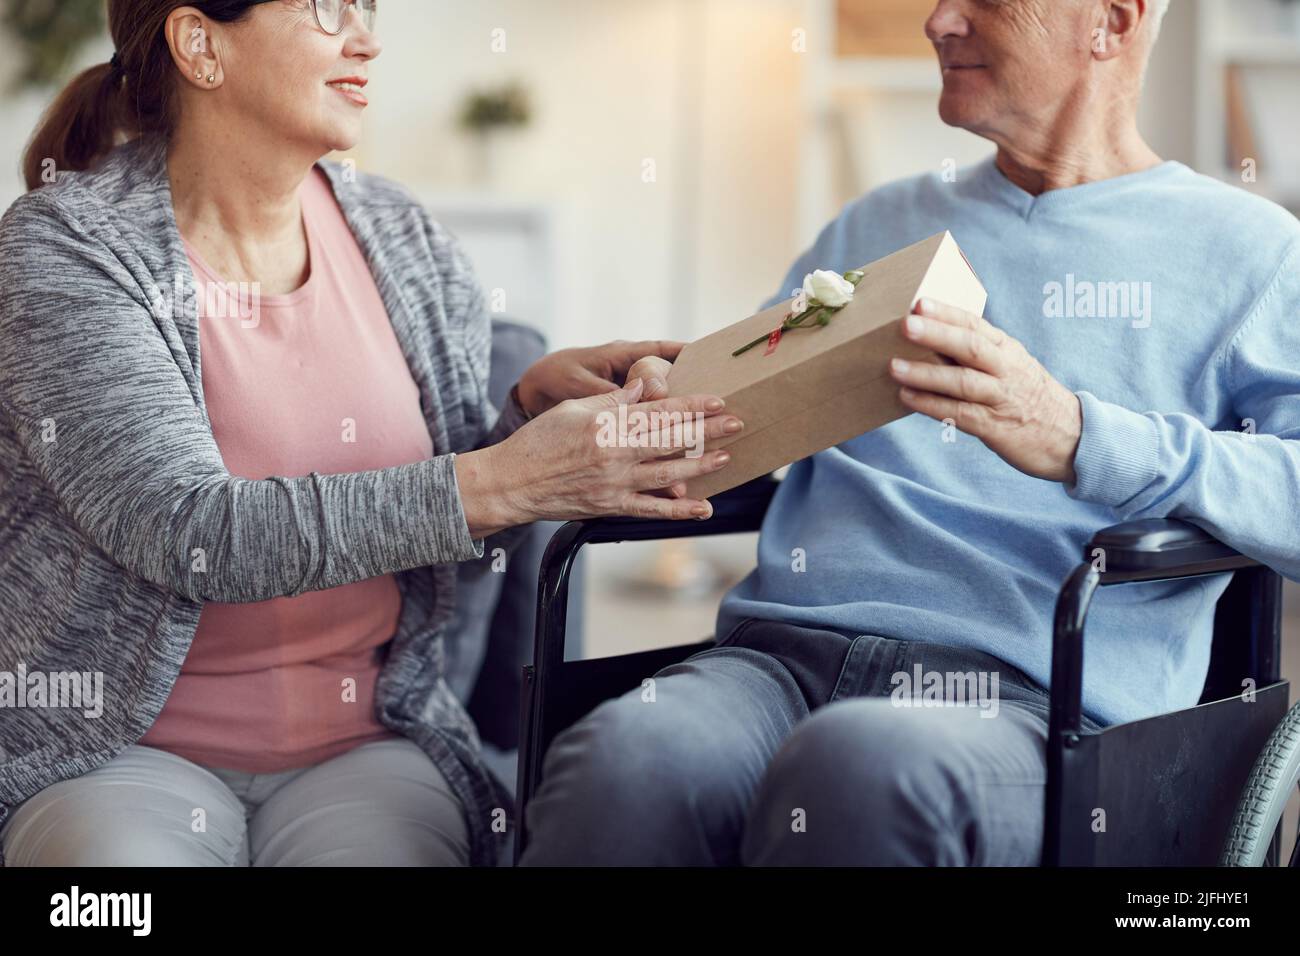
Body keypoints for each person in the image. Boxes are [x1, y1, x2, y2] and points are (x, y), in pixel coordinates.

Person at [520, 0, 1300, 865]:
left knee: (863, 768)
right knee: (625, 760)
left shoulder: (1253, 253)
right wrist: (662, 403)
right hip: (775, 661)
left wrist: (1081, 436)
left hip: (1029, 702)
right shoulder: (874, 226)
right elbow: (736, 426)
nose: (936, 20)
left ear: (1110, 21)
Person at [0, 0, 741, 867]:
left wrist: (522, 429)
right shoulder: (65, 251)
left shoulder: (407, 241)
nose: (366, 37)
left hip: (366, 743)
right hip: (116, 755)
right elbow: (187, 529)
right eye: (325, 6)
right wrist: (507, 477)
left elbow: (442, 534)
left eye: (367, 6)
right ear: (200, 44)